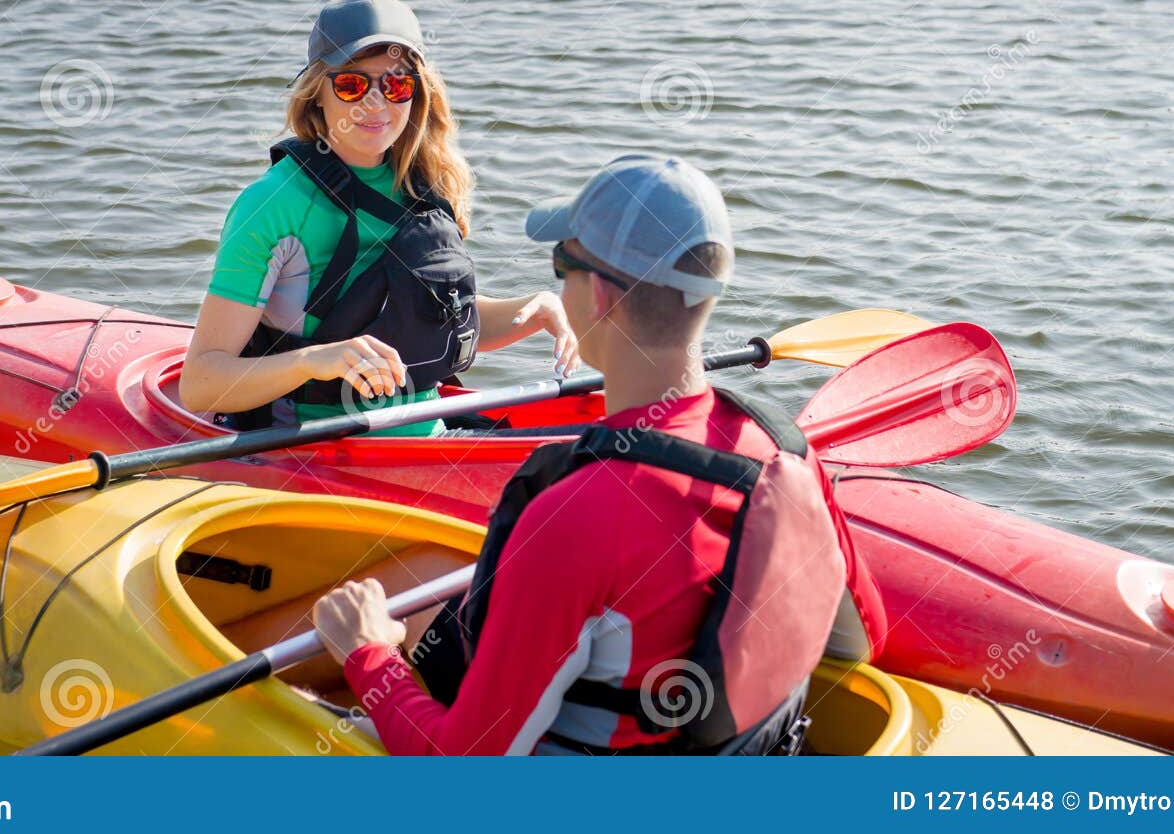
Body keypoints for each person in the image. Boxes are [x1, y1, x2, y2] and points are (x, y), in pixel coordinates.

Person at [312, 154, 883, 754]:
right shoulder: (784, 452)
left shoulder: (573, 520)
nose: (560, 281)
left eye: (563, 263)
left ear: (601, 294)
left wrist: (368, 654)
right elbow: (857, 643)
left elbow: (466, 763)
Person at [180, 0, 579, 436]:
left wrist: (538, 308)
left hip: (430, 435)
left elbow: (423, 322)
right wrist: (316, 361)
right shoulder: (271, 206)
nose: (376, 103)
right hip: (316, 454)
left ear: (417, 94)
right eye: (351, 85)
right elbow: (200, 384)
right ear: (317, 94)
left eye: (395, 85)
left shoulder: (421, 185)